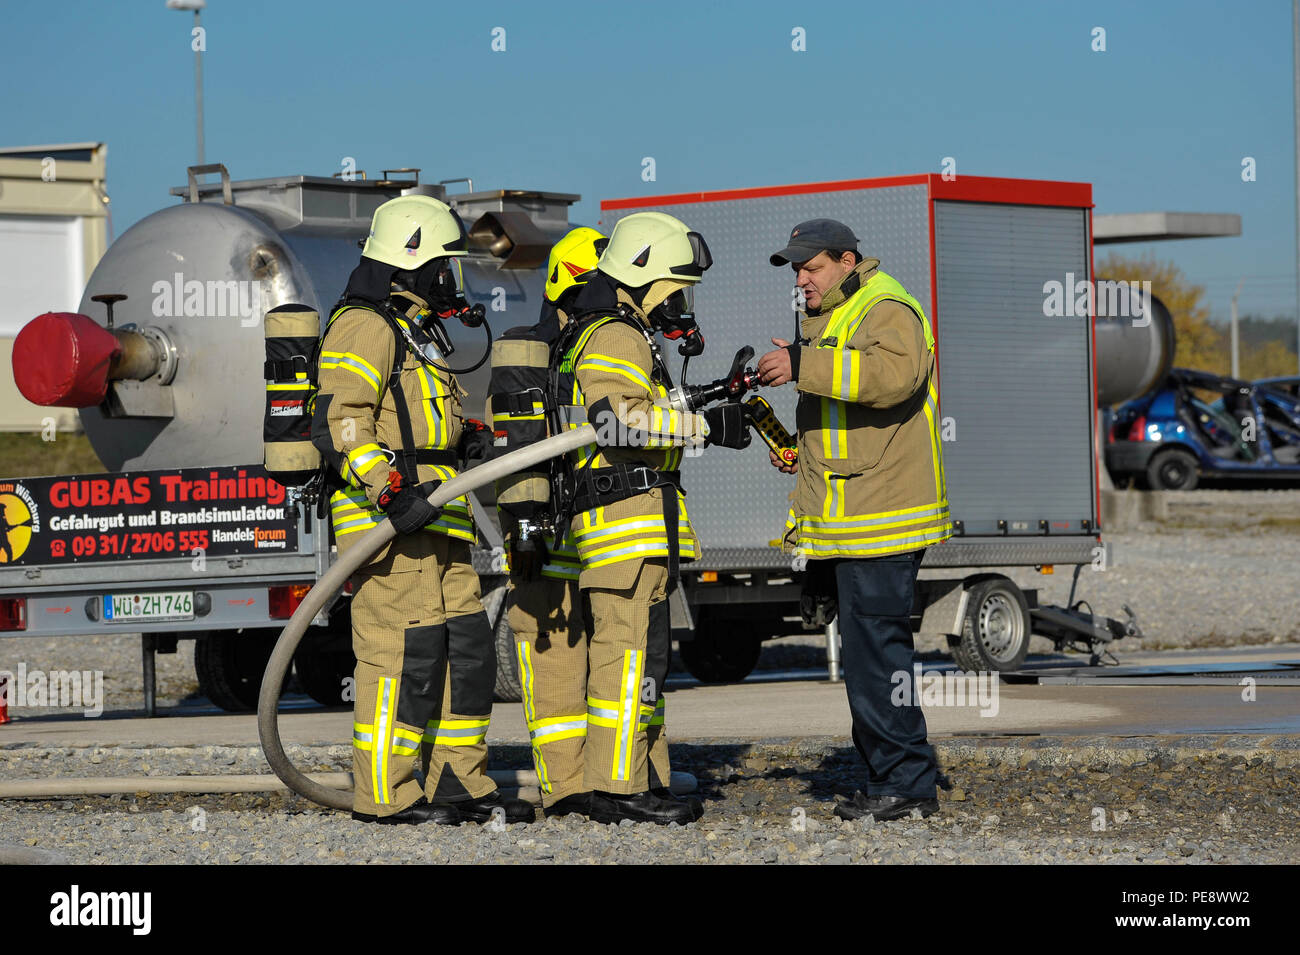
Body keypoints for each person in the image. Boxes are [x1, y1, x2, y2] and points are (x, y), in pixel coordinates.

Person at [313, 194, 533, 825]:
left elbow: (420, 421)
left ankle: (456, 781)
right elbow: (342, 420)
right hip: (389, 521)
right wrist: (386, 490)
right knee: (399, 656)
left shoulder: (411, 326)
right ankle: (387, 795)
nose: (454, 279)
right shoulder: (365, 325)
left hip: (437, 516)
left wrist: (469, 438)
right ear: (416, 263)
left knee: (466, 648)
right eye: (447, 265)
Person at [552, 211, 750, 824]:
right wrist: (704, 428)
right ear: (641, 276)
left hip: (632, 521)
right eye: (672, 287)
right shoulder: (615, 334)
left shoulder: (602, 331)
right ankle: (619, 789)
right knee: (624, 659)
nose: (677, 301)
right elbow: (615, 420)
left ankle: (634, 778)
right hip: (623, 521)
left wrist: (704, 406)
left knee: (638, 659)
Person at [757, 218, 952, 822]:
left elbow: (892, 379)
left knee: (878, 656)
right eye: (796, 269)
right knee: (870, 657)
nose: (801, 279)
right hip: (857, 521)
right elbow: (847, 420)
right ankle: (889, 780)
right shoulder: (832, 315)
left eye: (811, 267)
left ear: (847, 260)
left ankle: (906, 785)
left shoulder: (885, 304)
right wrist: (798, 450)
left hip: (885, 520)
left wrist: (801, 364)